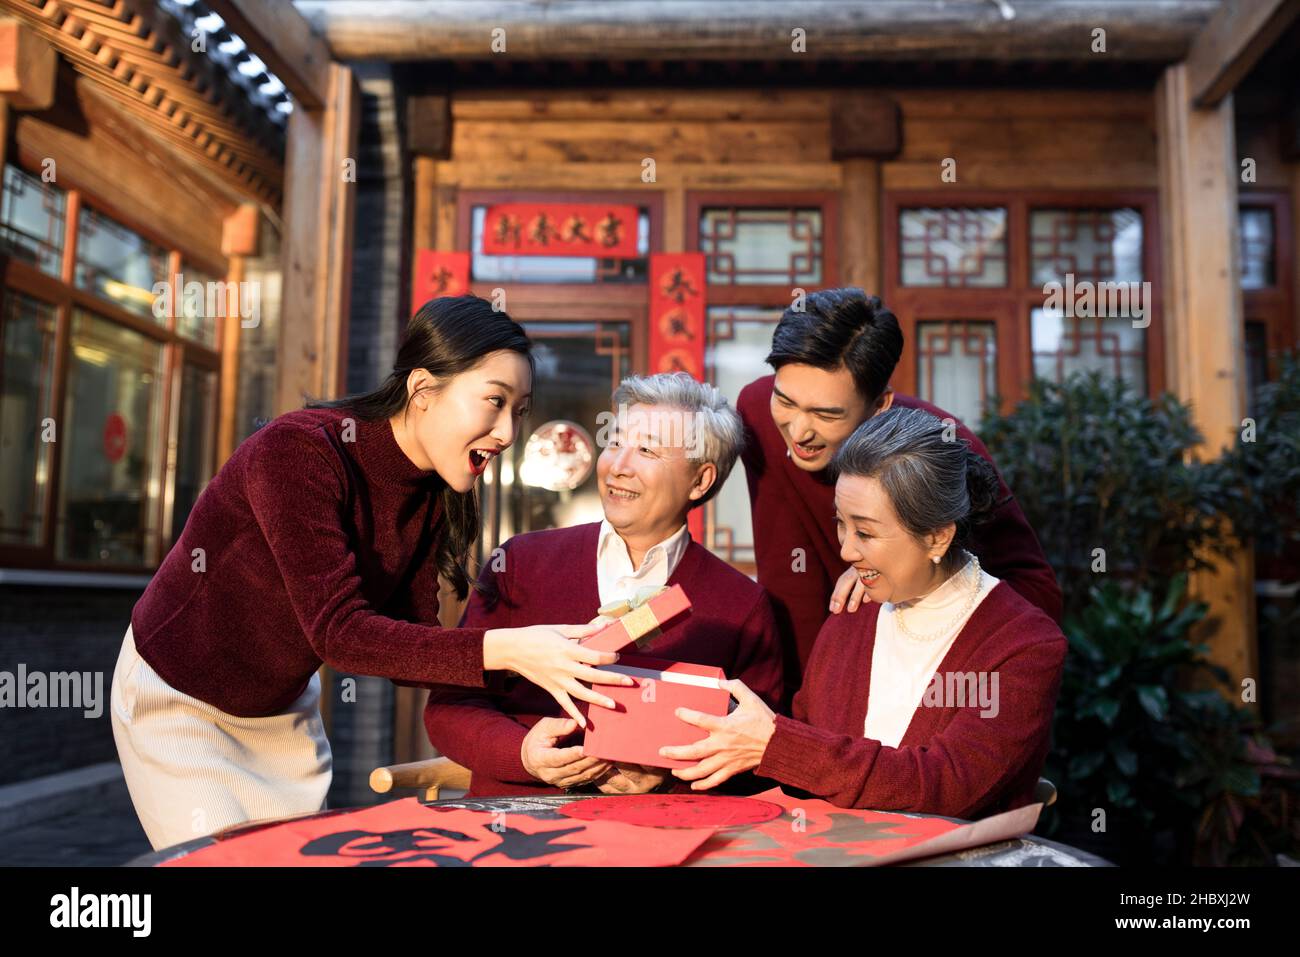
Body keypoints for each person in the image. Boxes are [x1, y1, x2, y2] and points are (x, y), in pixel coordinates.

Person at [111, 295, 631, 849]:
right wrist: (511, 649)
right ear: (423, 389)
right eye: (494, 401)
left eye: (518, 412)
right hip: (181, 697)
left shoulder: (430, 493)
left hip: (279, 714)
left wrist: (552, 675)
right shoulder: (297, 451)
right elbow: (339, 633)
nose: (506, 432)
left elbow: (414, 646)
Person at [660, 407, 1067, 820]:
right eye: (841, 524)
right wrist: (667, 766)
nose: (846, 551)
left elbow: (948, 785)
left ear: (937, 536)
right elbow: (798, 767)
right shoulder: (854, 611)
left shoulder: (1025, 644)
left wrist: (777, 744)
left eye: (866, 533)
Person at [424, 372, 783, 797]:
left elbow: (760, 755)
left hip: (661, 845)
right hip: (516, 834)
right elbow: (450, 706)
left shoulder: (740, 606)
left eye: (646, 449)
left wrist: (670, 777)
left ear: (700, 480)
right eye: (615, 443)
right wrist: (522, 754)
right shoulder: (520, 562)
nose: (618, 466)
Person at [736, 288, 1061, 699]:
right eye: (786, 400)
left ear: (879, 406)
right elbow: (785, 571)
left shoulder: (942, 445)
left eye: (826, 414)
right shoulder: (756, 411)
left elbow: (1037, 593)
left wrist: (904, 568)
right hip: (816, 679)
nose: (799, 431)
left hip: (923, 682)